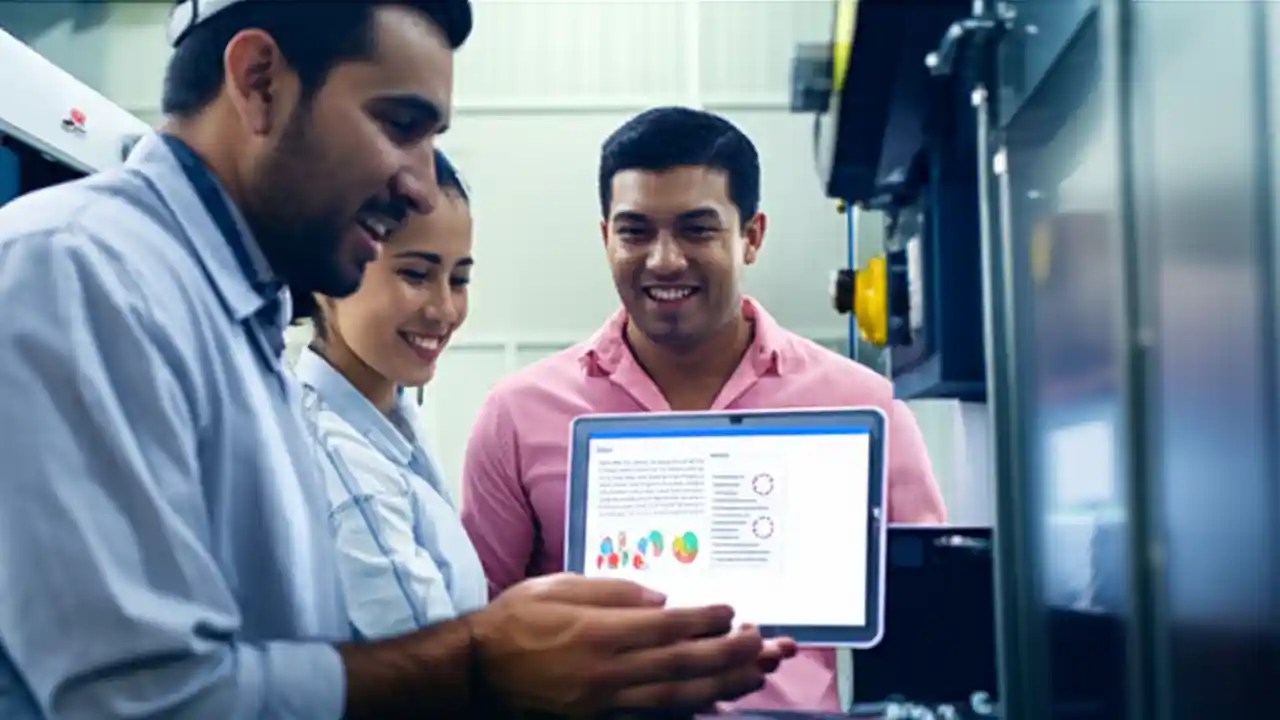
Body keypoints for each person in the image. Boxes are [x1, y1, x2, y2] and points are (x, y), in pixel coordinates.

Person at [0, 3, 795, 717]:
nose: (420, 188)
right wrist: (479, 661)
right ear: (259, 81)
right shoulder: (77, 273)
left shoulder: (240, 322)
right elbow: (143, 701)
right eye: (400, 126)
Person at [460, 106, 949, 712]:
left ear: (752, 236)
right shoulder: (518, 414)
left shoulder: (861, 405)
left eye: (697, 229)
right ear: (605, 236)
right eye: (635, 231)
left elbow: (930, 624)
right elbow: (482, 637)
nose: (664, 259)